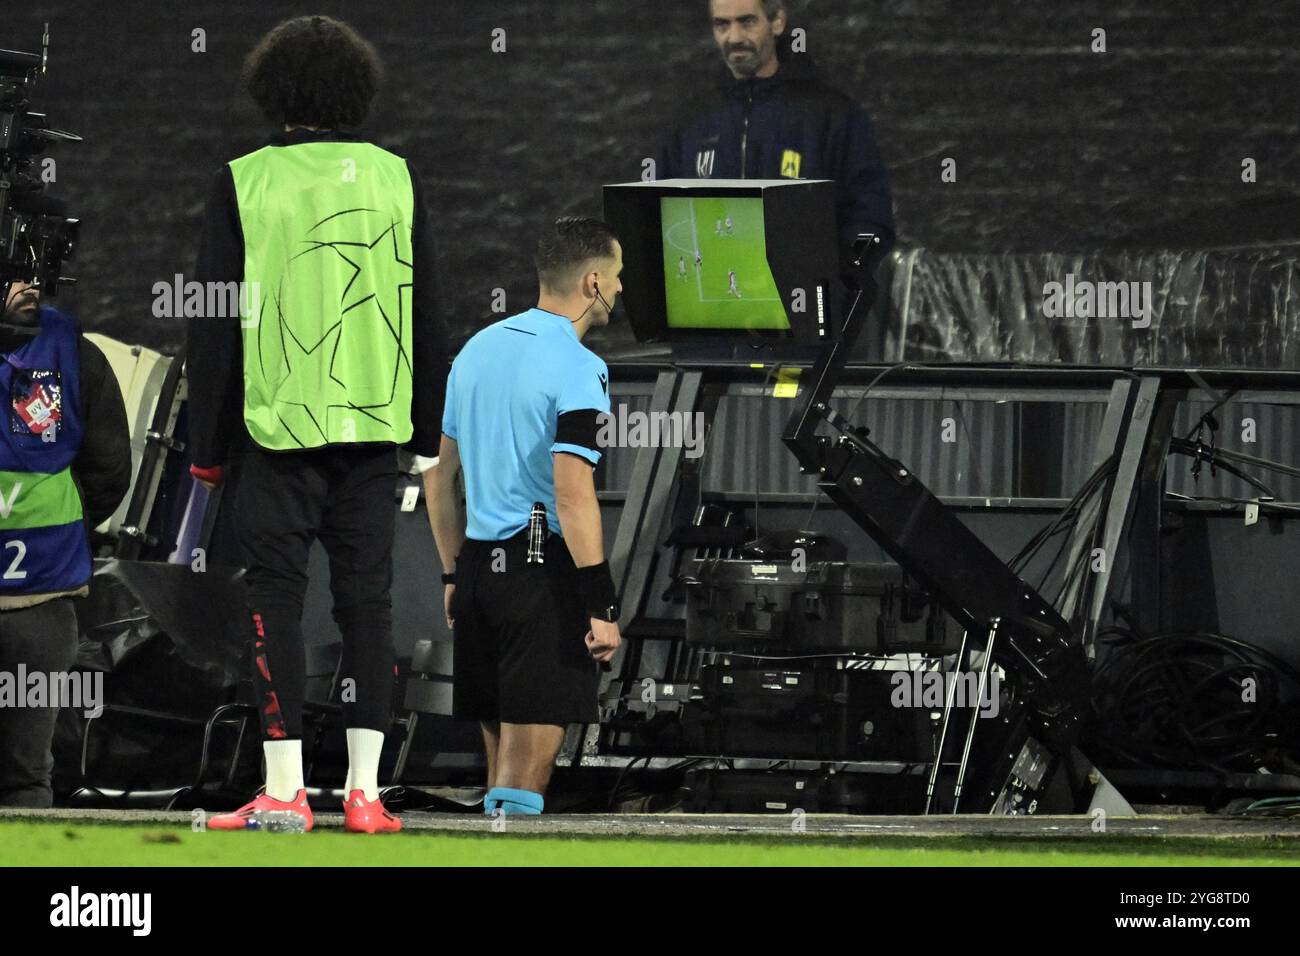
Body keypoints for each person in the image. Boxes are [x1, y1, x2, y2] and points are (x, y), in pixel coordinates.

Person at [185, 15, 449, 833]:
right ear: (354, 90)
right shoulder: (396, 177)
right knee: (367, 609)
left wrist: (205, 451)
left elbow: (214, 323)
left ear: (275, 90)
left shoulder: (245, 181)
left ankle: (286, 791)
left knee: (275, 602)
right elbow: (428, 311)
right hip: (374, 426)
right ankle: (367, 795)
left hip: (277, 430)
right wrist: (424, 435)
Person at [423, 217, 623, 816]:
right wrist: (601, 602)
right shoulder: (579, 365)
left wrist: (455, 574)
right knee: (517, 801)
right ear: (593, 282)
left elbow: (437, 476)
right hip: (540, 581)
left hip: (481, 577)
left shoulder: (477, 348)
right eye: (618, 278)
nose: (620, 291)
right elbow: (571, 493)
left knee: (499, 791)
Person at [0, 280, 131, 807]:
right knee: (25, 777)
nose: (31, 283)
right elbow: (107, 474)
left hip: (44, 604)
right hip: (44, 598)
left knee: (27, 778)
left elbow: (109, 471)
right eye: (16, 267)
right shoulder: (76, 351)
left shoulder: (76, 349)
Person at [656, 0, 895, 275]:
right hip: (713, 303)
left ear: (777, 21)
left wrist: (837, 282)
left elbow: (870, 216)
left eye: (747, 22)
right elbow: (659, 213)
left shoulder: (832, 115)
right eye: (722, 24)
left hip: (803, 303)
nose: (734, 38)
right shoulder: (689, 122)